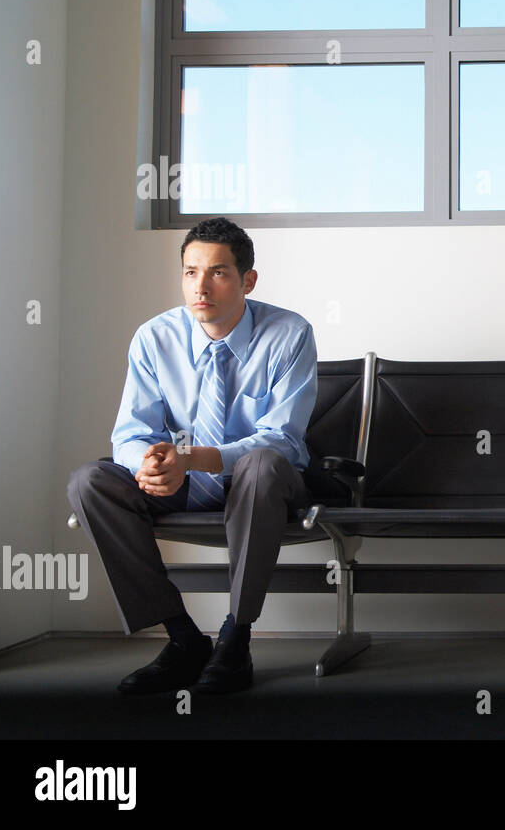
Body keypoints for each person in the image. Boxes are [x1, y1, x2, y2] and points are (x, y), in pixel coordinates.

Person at [67, 218, 317, 694]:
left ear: (248, 280)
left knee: (261, 465)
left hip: (262, 489)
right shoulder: (154, 338)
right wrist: (150, 462)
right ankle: (182, 638)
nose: (201, 286)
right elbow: (131, 433)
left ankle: (236, 638)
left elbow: (281, 439)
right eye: (190, 272)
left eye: (218, 272)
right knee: (89, 481)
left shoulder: (289, 333)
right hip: (179, 486)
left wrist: (193, 457)